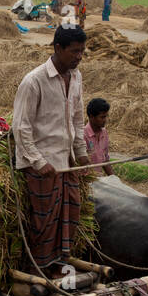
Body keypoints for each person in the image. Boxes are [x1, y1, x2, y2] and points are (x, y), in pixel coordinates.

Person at [12, 24, 88, 277]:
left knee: (71, 212)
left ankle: (59, 261)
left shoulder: (76, 77)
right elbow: (21, 126)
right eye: (74, 51)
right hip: (43, 162)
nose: (79, 57)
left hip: (66, 160)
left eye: (82, 52)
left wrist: (82, 152)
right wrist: (37, 161)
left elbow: (77, 118)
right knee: (45, 219)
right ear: (57, 48)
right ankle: (39, 268)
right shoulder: (34, 81)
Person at [84, 98, 114, 176]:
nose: (105, 120)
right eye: (102, 117)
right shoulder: (83, 136)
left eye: (106, 116)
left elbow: (105, 160)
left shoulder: (104, 133)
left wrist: (114, 179)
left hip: (99, 178)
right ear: (91, 117)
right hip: (87, 179)